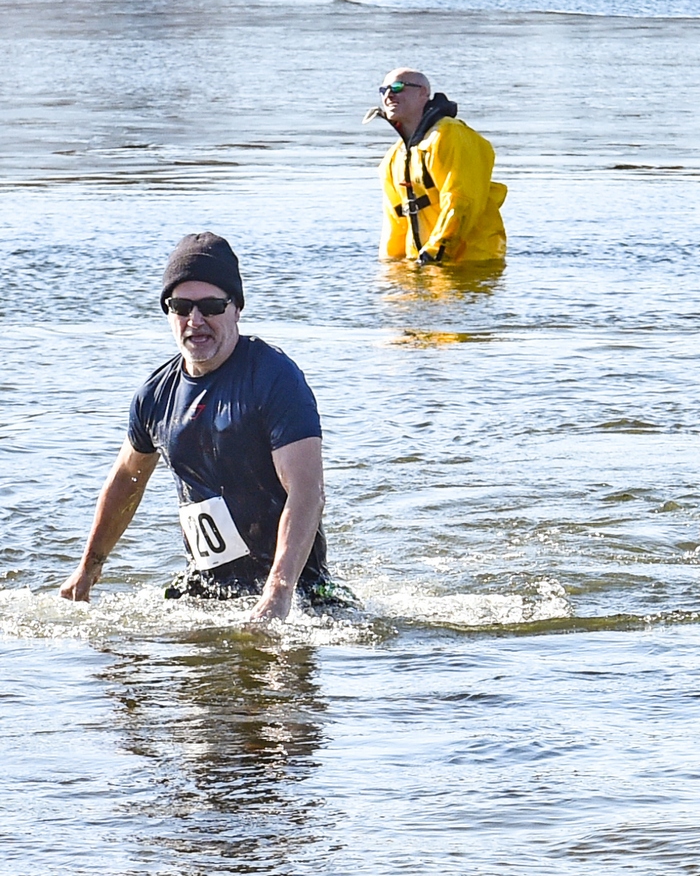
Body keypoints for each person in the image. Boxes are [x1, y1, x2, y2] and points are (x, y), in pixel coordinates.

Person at [60, 232, 350, 620]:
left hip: (299, 592)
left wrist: (279, 591)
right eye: (181, 307)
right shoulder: (155, 395)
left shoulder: (274, 378)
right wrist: (88, 567)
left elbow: (307, 491)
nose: (195, 321)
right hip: (206, 591)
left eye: (211, 307)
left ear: (236, 309)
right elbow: (127, 479)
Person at [375, 67, 507, 265]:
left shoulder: (451, 136)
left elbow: (461, 202)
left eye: (397, 87)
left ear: (423, 93)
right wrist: (392, 268)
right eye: (383, 90)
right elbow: (394, 224)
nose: (389, 95)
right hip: (425, 264)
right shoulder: (393, 158)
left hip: (473, 263)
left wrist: (435, 252)